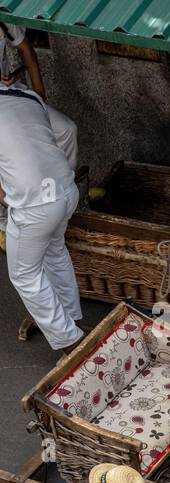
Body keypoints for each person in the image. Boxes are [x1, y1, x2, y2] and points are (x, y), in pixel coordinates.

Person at [0, 79, 81, 350]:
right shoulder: (27, 95)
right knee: (55, 251)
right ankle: (71, 319)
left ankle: (71, 340)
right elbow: (65, 130)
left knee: (24, 275)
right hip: (66, 190)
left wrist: (9, 201)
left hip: (35, 204)